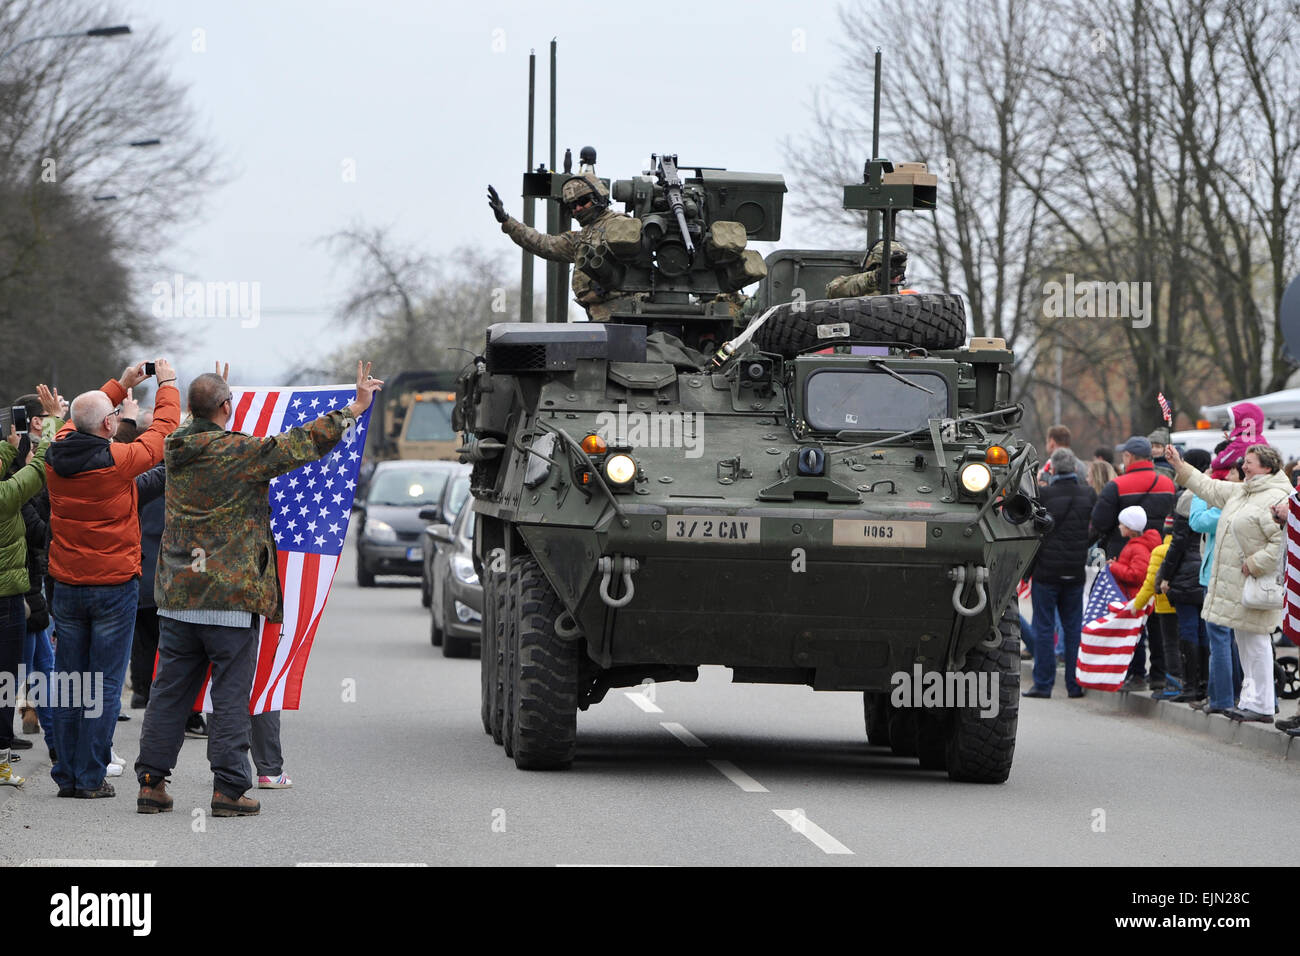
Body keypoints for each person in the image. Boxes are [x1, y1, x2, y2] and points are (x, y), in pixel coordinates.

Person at [135, 361, 382, 817]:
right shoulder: (241, 452)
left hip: (178, 597)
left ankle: (151, 783)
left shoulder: (174, 448)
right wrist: (354, 409)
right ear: (227, 407)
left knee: (168, 693)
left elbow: (198, 422)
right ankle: (229, 790)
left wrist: (211, 394)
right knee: (230, 697)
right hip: (231, 600)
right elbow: (300, 444)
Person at [45, 362, 180, 799]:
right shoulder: (118, 461)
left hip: (66, 584)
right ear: (109, 424)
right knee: (103, 683)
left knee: (69, 678)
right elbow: (162, 433)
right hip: (113, 585)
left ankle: (65, 774)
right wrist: (168, 384)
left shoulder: (54, 452)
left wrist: (120, 384)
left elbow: (71, 421)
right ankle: (89, 777)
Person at [1165, 442, 1290, 722]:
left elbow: (1280, 541)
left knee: (1256, 644)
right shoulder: (1244, 492)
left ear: (1267, 467)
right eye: (1244, 461)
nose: (1243, 466)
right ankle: (1251, 701)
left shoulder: (1278, 495)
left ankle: (1263, 705)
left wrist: (1256, 563)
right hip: (1240, 587)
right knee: (1245, 644)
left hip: (1255, 585)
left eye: (1250, 462)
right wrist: (1178, 465)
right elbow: (1208, 487)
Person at [0, 385, 63, 786]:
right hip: (9, 596)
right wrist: (51, 426)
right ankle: (6, 755)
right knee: (9, 678)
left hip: (20, 593)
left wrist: (11, 448)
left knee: (31, 671)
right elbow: (40, 469)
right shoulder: (7, 495)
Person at [487, 175, 637, 320]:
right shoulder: (581, 238)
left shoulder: (619, 225)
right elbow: (543, 243)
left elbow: (635, 264)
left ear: (597, 198)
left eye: (583, 201)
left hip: (624, 314)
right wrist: (507, 221)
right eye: (572, 205)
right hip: (599, 314)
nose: (578, 208)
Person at [1023, 449, 1095, 699]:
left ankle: (1043, 684)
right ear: (1075, 469)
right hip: (1074, 571)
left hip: (1046, 571)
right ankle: (1075, 685)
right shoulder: (1088, 493)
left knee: (1044, 628)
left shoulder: (1044, 494)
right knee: (1073, 627)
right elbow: (1093, 527)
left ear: (1051, 469)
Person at [1157, 448, 1210, 703]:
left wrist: (1164, 576)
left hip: (1187, 574)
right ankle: (1203, 684)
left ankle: (1190, 686)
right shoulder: (1214, 492)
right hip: (1206, 569)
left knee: (1188, 630)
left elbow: (1177, 543)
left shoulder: (1186, 497)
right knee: (1204, 630)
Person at [1089, 435, 1176, 559]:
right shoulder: (1168, 484)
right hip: (1157, 554)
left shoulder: (1116, 485)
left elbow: (1099, 522)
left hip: (1123, 556)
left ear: (1128, 456)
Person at [1129, 516, 1182, 699]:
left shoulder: (1160, 551)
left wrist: (1137, 604)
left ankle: (1173, 684)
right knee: (1185, 644)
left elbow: (1151, 582)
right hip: (1187, 604)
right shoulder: (1189, 548)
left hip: (1165, 607)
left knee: (1170, 645)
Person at [825, 239, 910, 298]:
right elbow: (833, 291)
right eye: (889, 269)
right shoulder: (857, 288)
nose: (894, 275)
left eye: (898, 270)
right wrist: (876, 276)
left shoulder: (903, 297)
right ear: (874, 266)